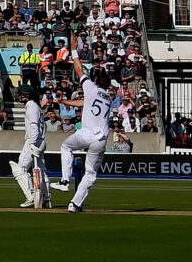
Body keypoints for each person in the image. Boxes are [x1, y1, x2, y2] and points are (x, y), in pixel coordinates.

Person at [56, 68, 119, 214]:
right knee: (90, 174)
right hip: (100, 139)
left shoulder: (91, 87)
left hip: (86, 134)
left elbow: (78, 69)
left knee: (66, 147)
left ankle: (65, 181)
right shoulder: (108, 99)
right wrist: (66, 101)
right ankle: (74, 204)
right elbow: (84, 102)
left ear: (96, 81)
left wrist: (74, 51)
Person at [8, 79, 50, 209]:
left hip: (34, 141)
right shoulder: (35, 106)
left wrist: (31, 143)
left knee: (20, 169)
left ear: (26, 95)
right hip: (41, 141)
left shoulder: (31, 107)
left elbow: (34, 126)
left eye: (20, 94)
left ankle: (31, 196)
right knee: (42, 170)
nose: (18, 96)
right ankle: (47, 199)